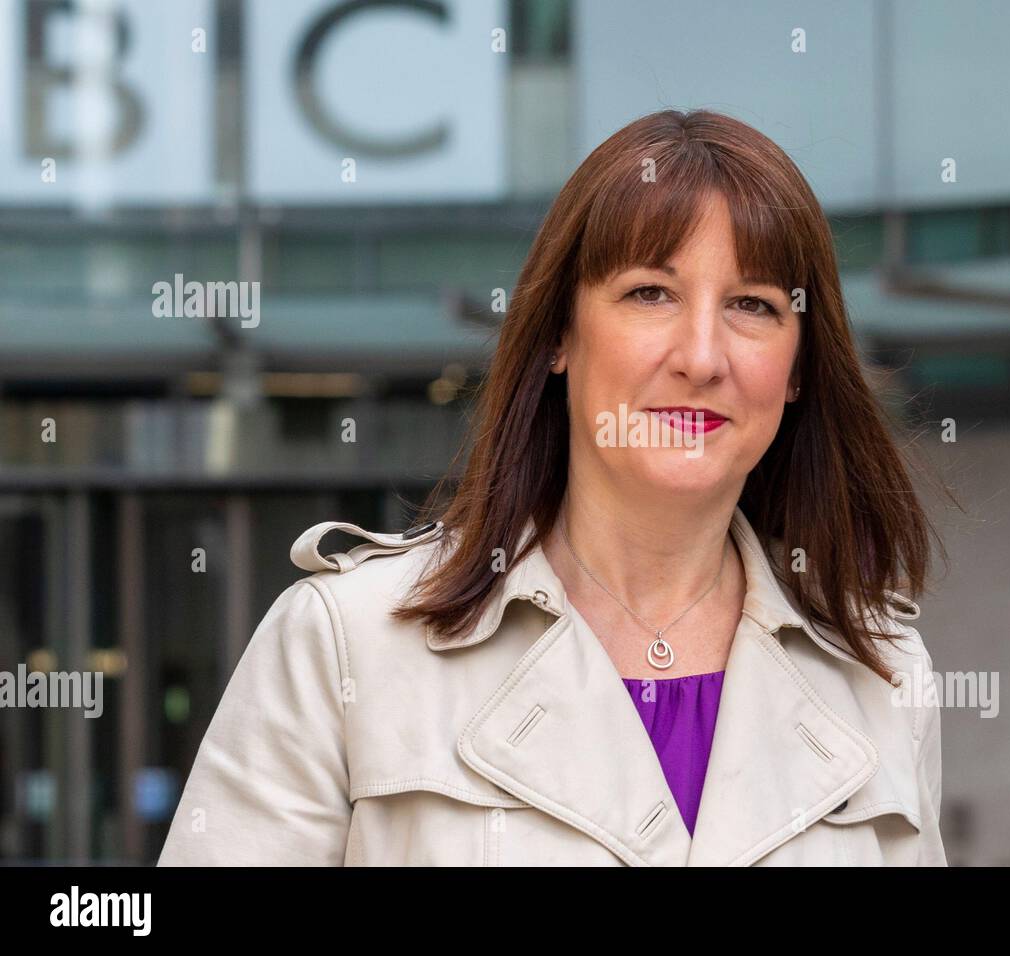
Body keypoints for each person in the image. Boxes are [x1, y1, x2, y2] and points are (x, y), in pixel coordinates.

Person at [158, 108, 949, 866]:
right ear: (560, 335)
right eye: (651, 293)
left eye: (753, 306)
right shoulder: (345, 644)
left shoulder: (884, 676)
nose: (703, 357)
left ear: (799, 367)